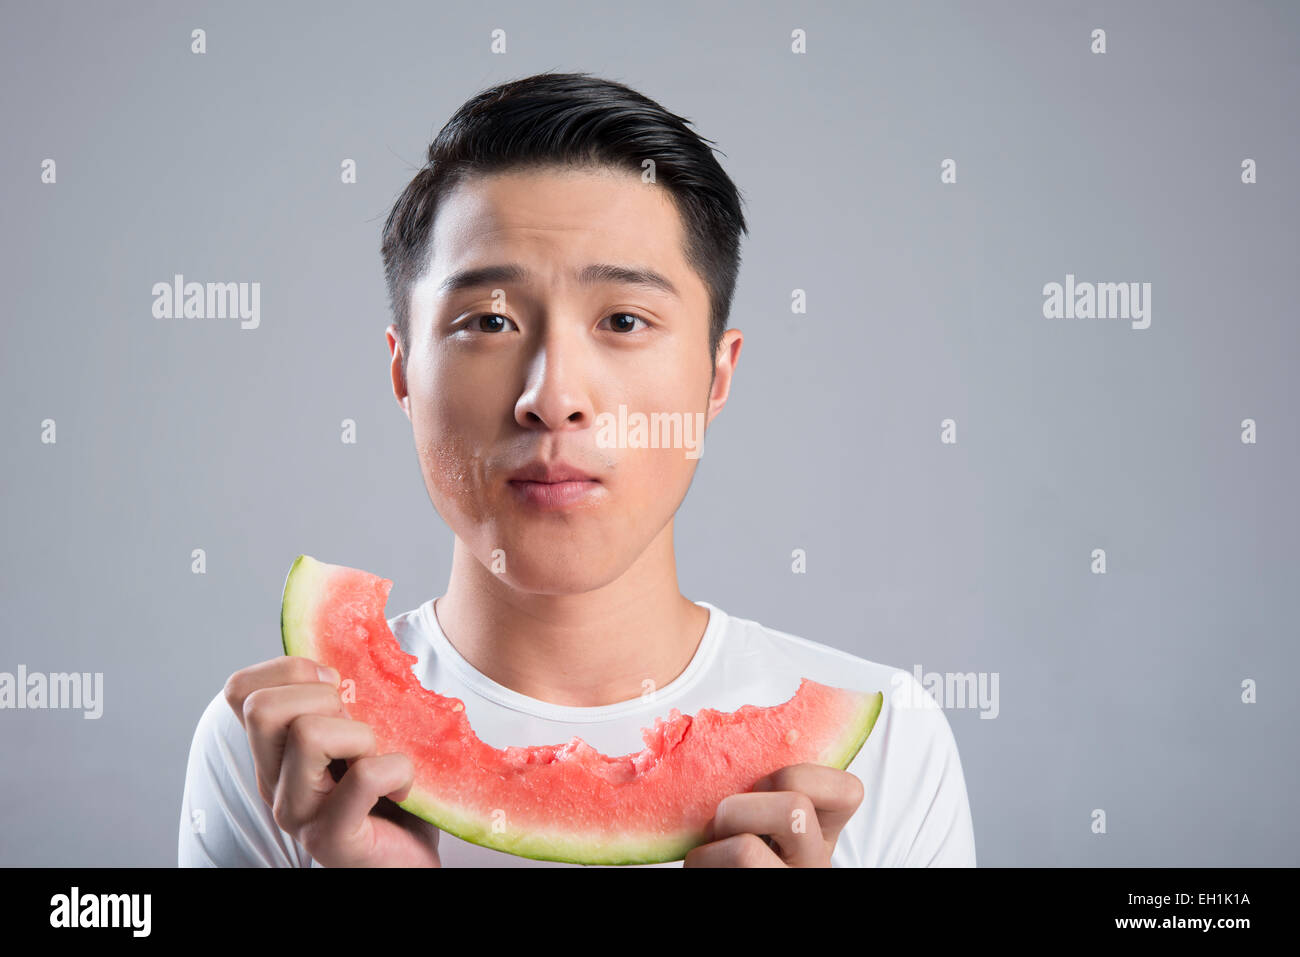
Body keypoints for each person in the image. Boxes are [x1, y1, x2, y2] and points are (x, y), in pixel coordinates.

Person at [178, 71, 976, 867]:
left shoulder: (888, 746)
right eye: (488, 320)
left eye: (624, 319)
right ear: (402, 375)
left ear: (716, 377)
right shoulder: (285, 751)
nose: (552, 396)